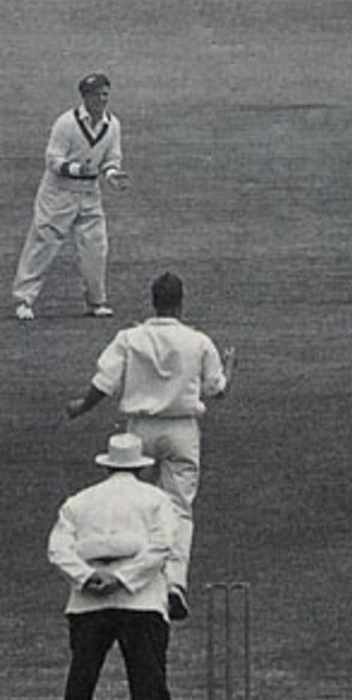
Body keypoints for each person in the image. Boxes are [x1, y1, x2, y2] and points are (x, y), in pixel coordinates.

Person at [66, 272, 234, 621]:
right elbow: (217, 390)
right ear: (181, 302)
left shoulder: (130, 338)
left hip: (138, 430)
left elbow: (104, 382)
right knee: (178, 509)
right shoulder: (198, 341)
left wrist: (82, 406)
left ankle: (133, 579)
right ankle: (173, 583)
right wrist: (229, 369)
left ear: (153, 302)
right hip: (182, 430)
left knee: (131, 500)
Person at [48, 432, 179, 700]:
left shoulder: (79, 501)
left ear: (107, 465)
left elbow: (58, 549)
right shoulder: (156, 498)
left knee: (79, 689)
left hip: (88, 603)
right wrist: (122, 578)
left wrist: (86, 576)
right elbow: (162, 547)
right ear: (141, 467)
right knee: (150, 691)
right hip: (141, 601)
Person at [12, 73, 130, 321]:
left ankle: (96, 301)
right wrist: (77, 169)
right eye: (97, 94)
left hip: (89, 195)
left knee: (96, 247)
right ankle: (24, 300)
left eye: (105, 93)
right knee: (42, 244)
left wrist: (111, 175)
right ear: (85, 97)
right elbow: (52, 159)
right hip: (58, 194)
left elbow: (112, 159)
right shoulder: (66, 123)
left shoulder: (112, 125)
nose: (102, 99)